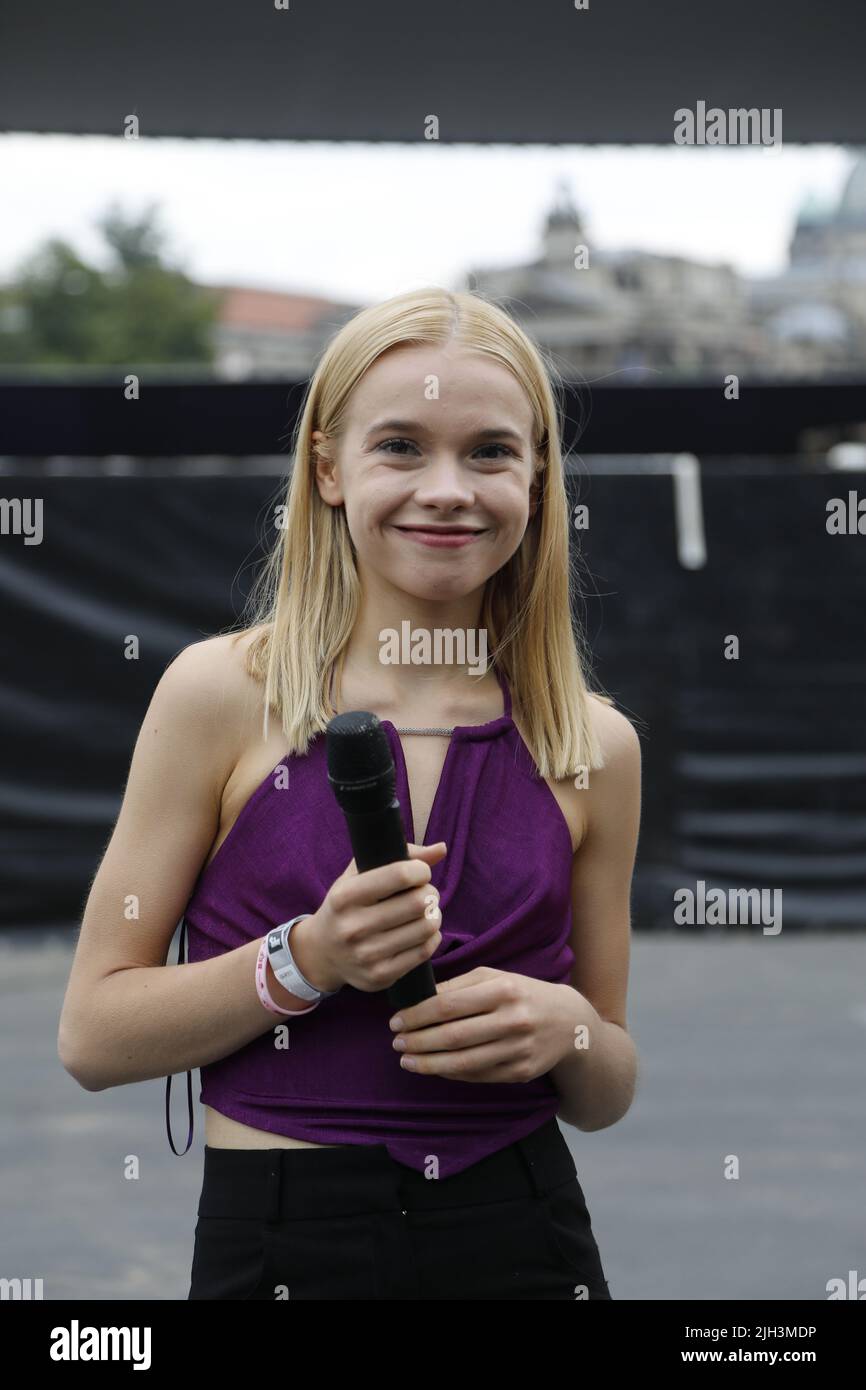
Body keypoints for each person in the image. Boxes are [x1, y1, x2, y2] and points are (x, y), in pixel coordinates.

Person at [58, 285, 642, 1300]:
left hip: (523, 1232)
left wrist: (567, 1029)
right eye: (401, 447)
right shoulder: (220, 694)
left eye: (491, 452)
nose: (448, 489)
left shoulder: (589, 741)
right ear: (327, 469)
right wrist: (306, 959)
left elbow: (605, 1084)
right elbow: (94, 1036)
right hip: (283, 1239)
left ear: (540, 477)